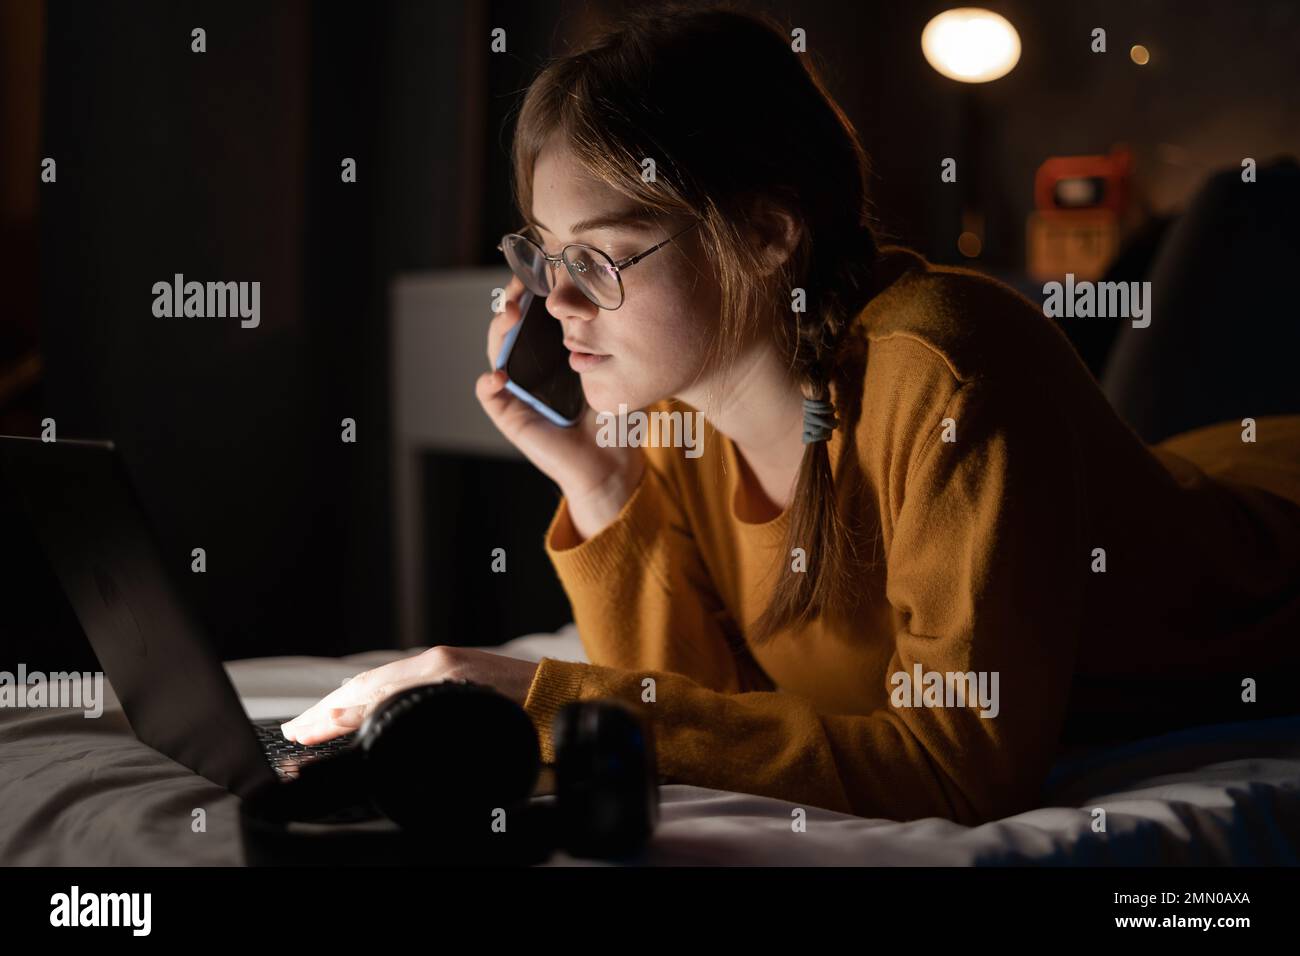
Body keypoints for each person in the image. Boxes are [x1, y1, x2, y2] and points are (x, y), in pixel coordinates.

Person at [281, 5, 1300, 825]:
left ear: (765, 232)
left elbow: (956, 772)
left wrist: (544, 691)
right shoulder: (673, 408)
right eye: (544, 253)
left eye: (599, 256)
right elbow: (706, 711)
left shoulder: (951, 370)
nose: (557, 301)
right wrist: (596, 484)